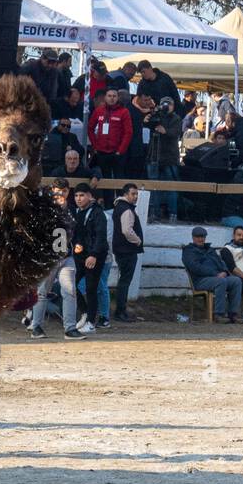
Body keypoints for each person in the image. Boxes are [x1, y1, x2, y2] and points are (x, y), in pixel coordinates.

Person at [27, 180, 78, 339]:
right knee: (42, 292)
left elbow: (74, 227)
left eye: (63, 191)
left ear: (67, 192)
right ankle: (36, 326)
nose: (60, 194)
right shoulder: (44, 208)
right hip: (48, 257)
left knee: (70, 291)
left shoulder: (71, 209)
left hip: (65, 255)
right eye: (57, 191)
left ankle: (70, 328)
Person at [182, 226, 243, 323]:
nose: (201, 239)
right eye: (198, 237)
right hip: (200, 281)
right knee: (221, 281)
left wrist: (225, 271)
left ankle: (233, 314)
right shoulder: (188, 251)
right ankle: (219, 315)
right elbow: (195, 267)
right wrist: (215, 274)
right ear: (193, 237)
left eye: (203, 237)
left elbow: (221, 262)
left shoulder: (210, 250)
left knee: (236, 281)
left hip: (217, 278)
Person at [70, 183, 106, 338]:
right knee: (71, 284)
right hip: (80, 256)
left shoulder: (98, 213)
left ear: (90, 196)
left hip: (94, 256)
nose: (79, 199)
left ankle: (91, 322)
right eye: (76, 195)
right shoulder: (78, 212)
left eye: (82, 195)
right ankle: (84, 312)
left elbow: (100, 236)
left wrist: (93, 255)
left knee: (91, 288)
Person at [145, 96, 182, 221]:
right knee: (153, 185)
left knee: (171, 186)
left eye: (169, 104)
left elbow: (176, 132)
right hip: (154, 155)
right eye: (164, 104)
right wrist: (148, 118)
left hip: (170, 157)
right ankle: (154, 212)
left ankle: (173, 213)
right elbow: (146, 125)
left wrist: (165, 131)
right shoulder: (155, 115)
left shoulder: (176, 118)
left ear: (173, 106)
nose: (166, 107)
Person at [111, 183, 144, 322]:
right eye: (133, 194)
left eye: (136, 194)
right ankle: (120, 311)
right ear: (125, 194)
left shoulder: (119, 207)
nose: (135, 197)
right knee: (125, 282)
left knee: (123, 281)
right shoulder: (126, 209)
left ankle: (120, 310)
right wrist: (138, 241)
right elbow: (127, 231)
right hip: (127, 250)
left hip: (121, 249)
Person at [89, 88, 132, 192]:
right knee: (104, 180)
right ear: (105, 97)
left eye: (114, 96)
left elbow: (128, 132)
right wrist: (95, 146)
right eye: (109, 96)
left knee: (119, 179)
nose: (112, 98)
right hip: (102, 152)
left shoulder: (124, 112)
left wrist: (120, 150)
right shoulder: (99, 111)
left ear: (117, 98)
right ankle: (107, 201)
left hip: (117, 152)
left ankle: (120, 200)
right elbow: (90, 128)